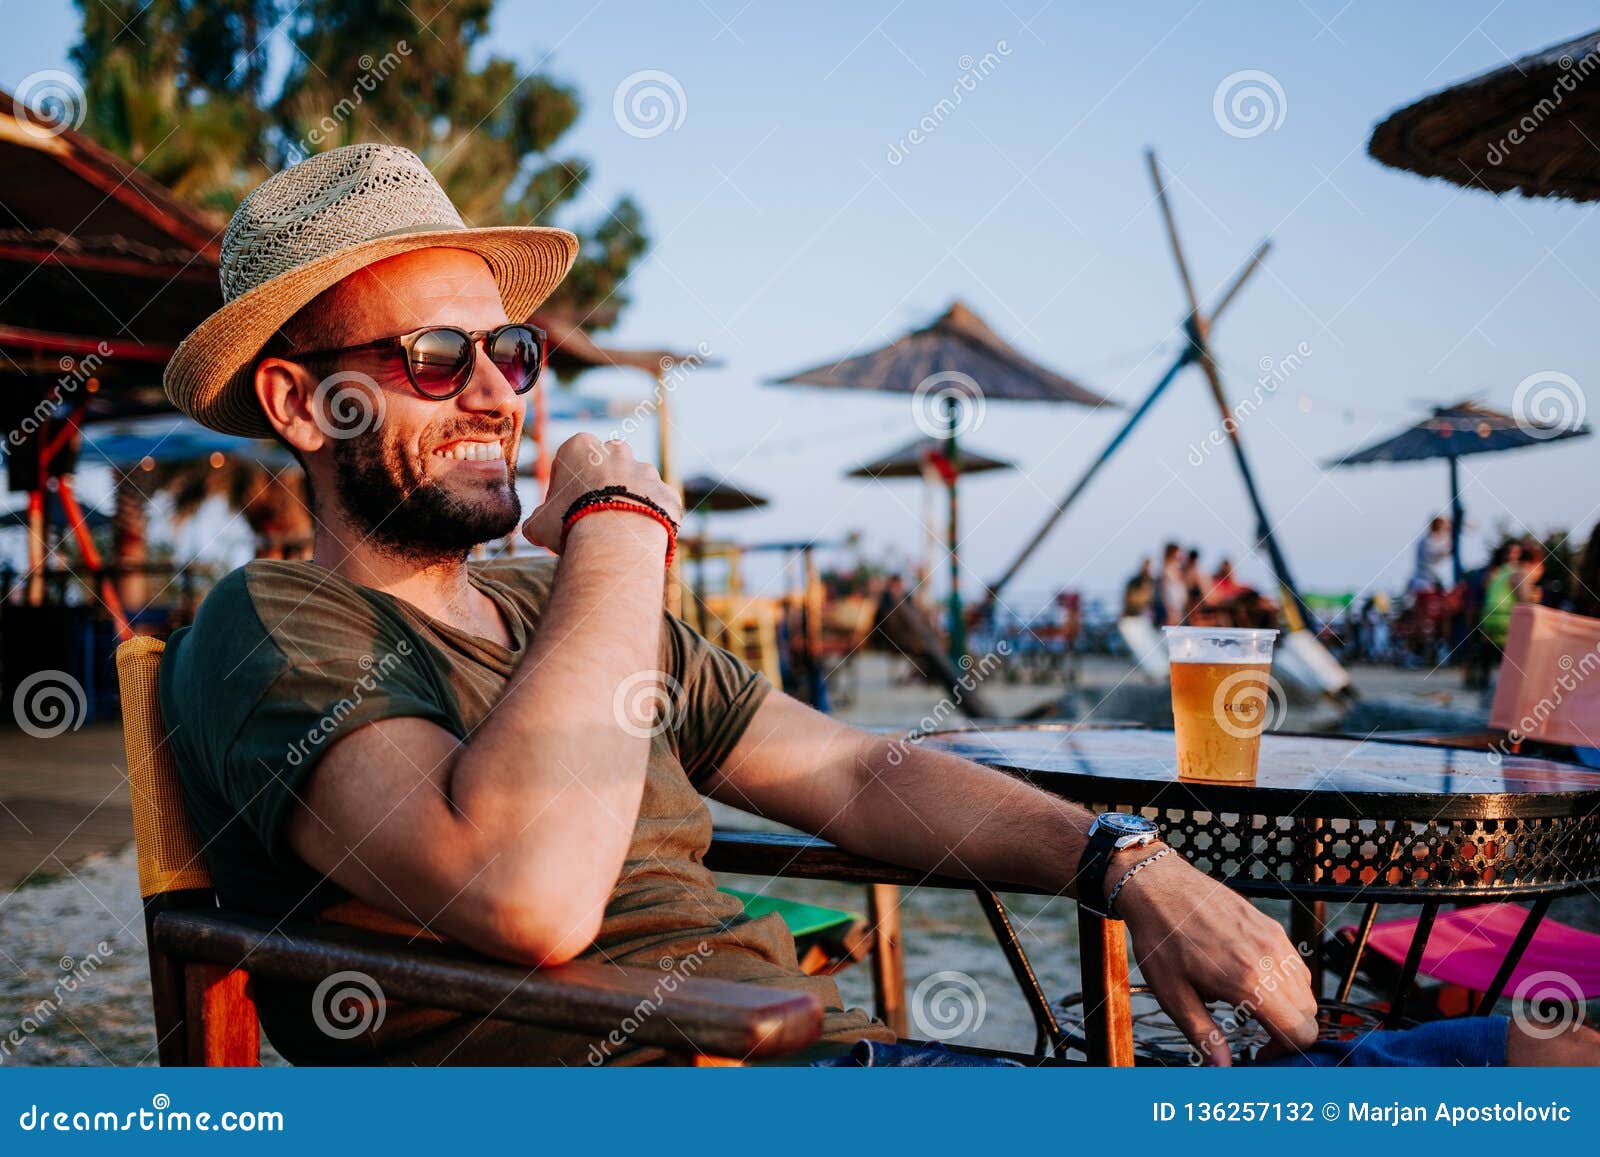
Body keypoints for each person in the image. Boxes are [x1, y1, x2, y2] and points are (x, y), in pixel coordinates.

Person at [158, 145, 1590, 1068]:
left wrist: (1126, 859)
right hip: (708, 1075)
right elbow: (528, 897)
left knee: (1540, 1052)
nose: (497, 391)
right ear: (299, 400)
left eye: (513, 350)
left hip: (818, 1064)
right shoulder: (277, 632)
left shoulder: (560, 606)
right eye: (432, 356)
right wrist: (617, 522)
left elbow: (852, 765)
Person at [1409, 515, 1454, 593]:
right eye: (1444, 528)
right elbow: (1445, 552)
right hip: (1426, 583)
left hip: (1432, 582)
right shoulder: (1427, 542)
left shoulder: (1436, 540)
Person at [1156, 541, 1186, 627]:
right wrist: (1169, 609)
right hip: (1171, 605)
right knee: (1172, 627)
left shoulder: (1177, 567)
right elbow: (1164, 590)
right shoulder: (1166, 569)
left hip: (1178, 605)